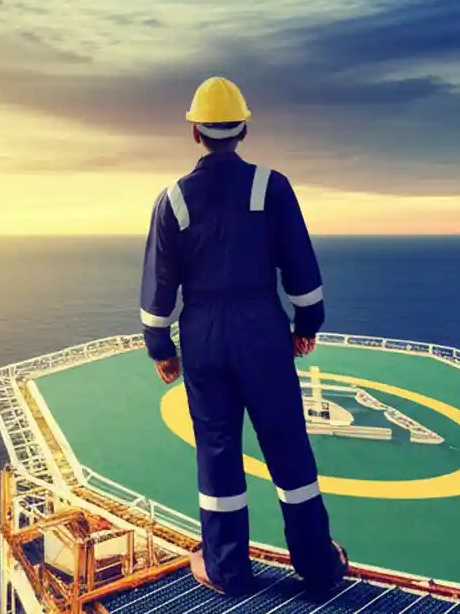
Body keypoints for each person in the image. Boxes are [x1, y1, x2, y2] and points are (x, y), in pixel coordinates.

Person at [138, 76, 347, 596]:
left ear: (195, 134)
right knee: (288, 446)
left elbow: (158, 284)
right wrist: (306, 325)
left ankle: (227, 569)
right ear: (243, 129)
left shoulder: (172, 201)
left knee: (216, 450)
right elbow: (300, 265)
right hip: (262, 331)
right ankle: (318, 567)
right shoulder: (272, 187)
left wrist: (160, 348)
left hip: (204, 335)